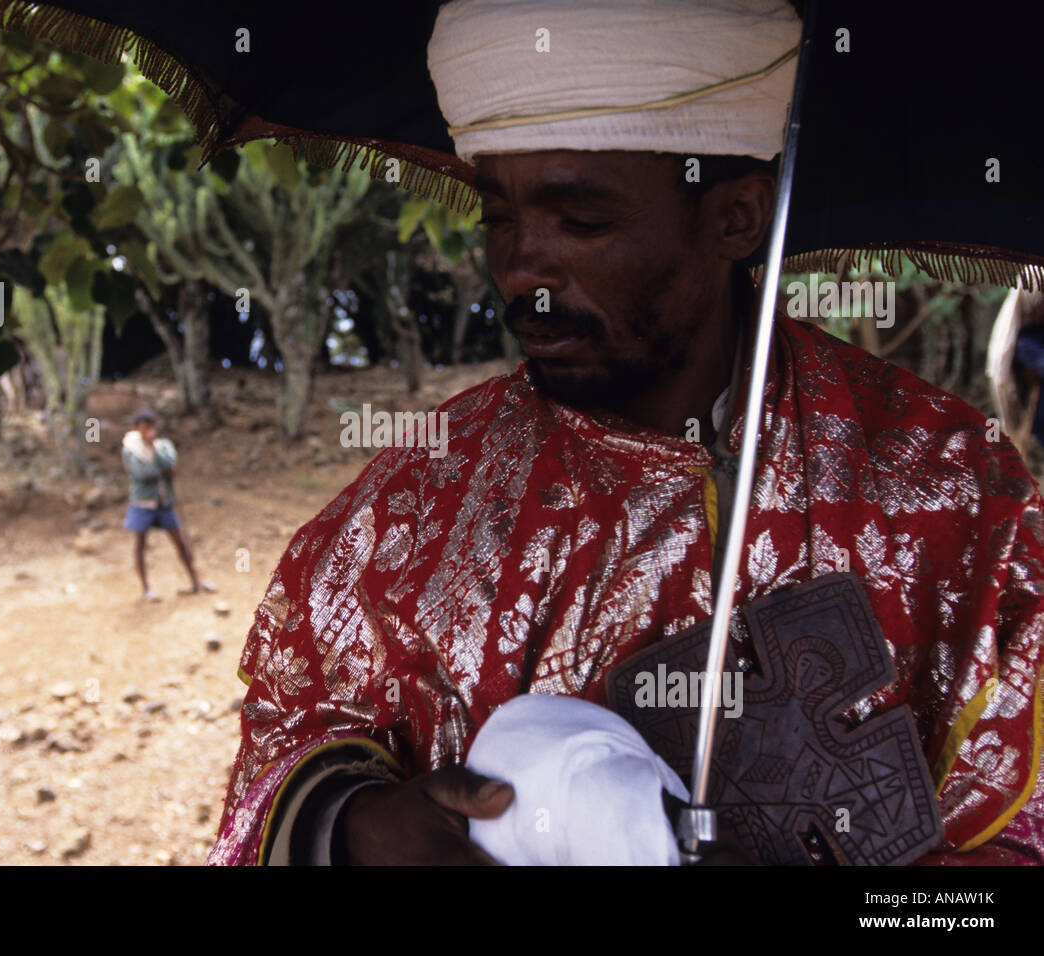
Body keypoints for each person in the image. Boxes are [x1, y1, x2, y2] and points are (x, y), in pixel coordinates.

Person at [209, 0, 1044, 865]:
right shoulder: (418, 496)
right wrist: (354, 825)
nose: (522, 266)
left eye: (583, 220)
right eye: (499, 216)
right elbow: (291, 725)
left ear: (737, 219)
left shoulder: (950, 492)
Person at [121, 408, 212, 600]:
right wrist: (164, 470)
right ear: (138, 429)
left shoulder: (163, 445)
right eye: (145, 428)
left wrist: (155, 452)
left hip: (164, 502)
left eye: (151, 428)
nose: (149, 432)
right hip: (142, 503)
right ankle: (146, 589)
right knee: (141, 545)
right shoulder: (130, 449)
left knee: (180, 541)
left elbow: (169, 464)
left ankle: (196, 581)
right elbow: (141, 474)